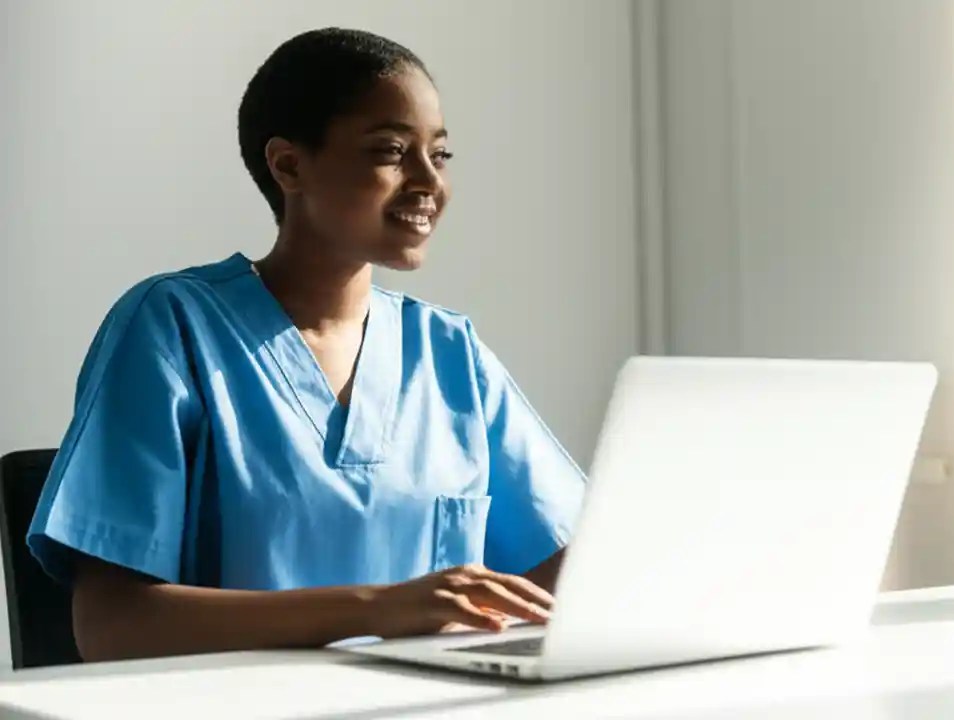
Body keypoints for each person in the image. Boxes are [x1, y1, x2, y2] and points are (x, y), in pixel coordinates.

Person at [26, 27, 586, 662]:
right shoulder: (173, 328)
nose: (429, 181)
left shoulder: (448, 351)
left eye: (441, 154)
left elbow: (574, 565)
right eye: (392, 152)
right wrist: (382, 609)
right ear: (289, 164)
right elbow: (111, 627)